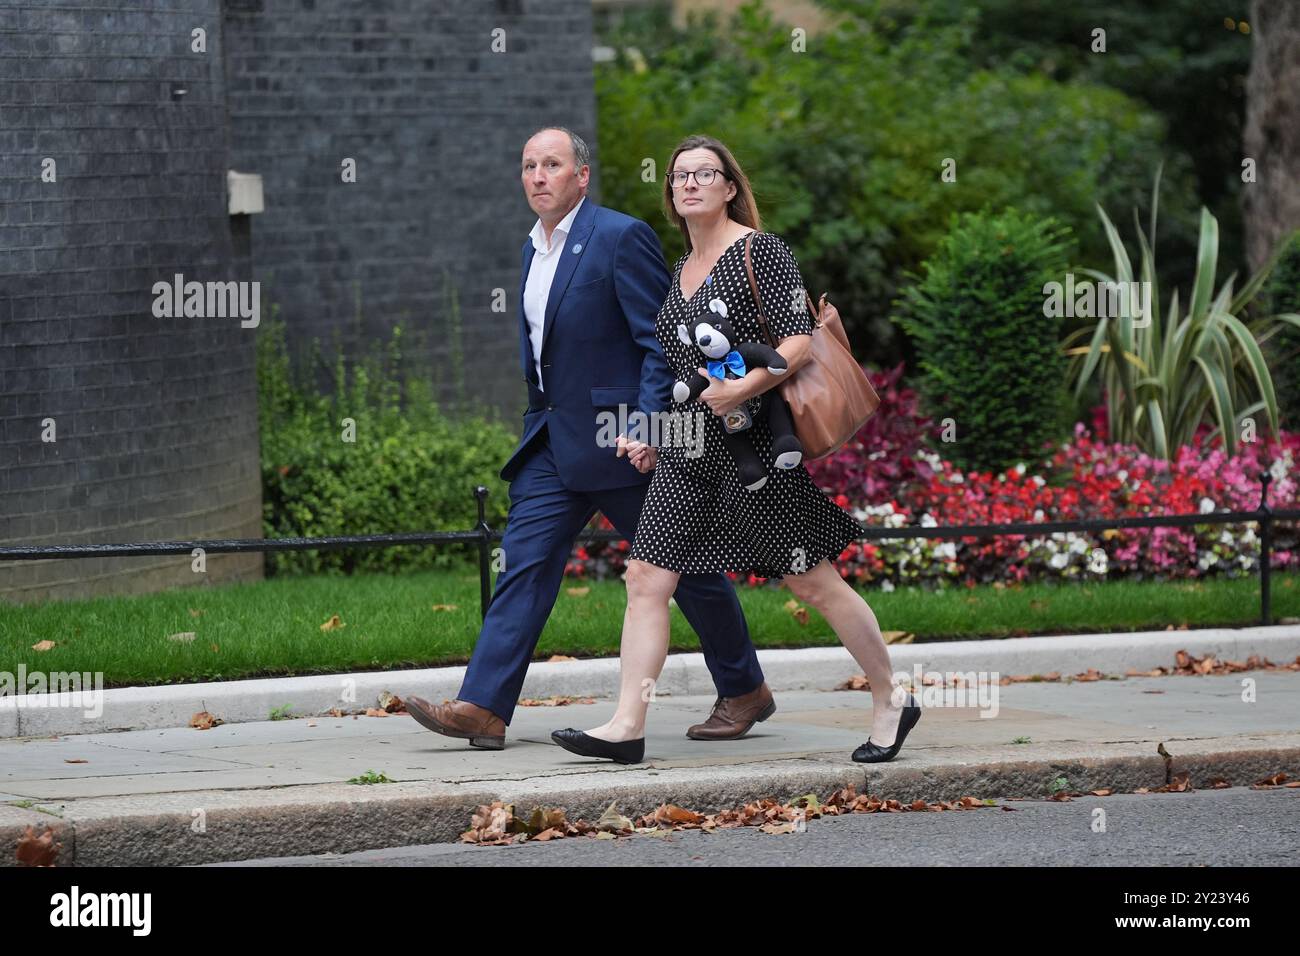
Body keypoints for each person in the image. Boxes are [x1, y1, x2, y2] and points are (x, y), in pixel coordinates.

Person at [551, 134, 920, 765]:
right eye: (679, 175)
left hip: (754, 448)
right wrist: (654, 433)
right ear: (670, 194)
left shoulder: (760, 251)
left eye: (705, 173)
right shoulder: (677, 270)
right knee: (645, 579)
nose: (689, 183)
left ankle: (892, 696)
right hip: (688, 451)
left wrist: (744, 387)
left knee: (813, 582)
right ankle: (626, 723)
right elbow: (683, 369)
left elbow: (798, 341)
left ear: (729, 188)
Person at [405, 127, 777, 749]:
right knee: (524, 564)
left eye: (551, 164)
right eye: (528, 165)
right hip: (552, 440)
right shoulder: (532, 248)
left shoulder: (617, 236)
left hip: (623, 438)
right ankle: (483, 708)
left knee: (681, 567)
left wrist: (648, 422)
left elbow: (661, 339)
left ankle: (744, 688)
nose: (538, 176)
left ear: (581, 175)